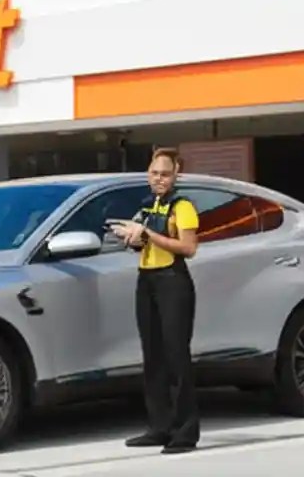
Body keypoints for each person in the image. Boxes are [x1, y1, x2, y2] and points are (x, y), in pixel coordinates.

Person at [107, 147, 201, 454]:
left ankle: (185, 432)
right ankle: (160, 426)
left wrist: (147, 234)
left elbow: (188, 248)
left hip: (172, 281)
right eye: (154, 173)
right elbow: (146, 242)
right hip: (146, 279)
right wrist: (131, 237)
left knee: (176, 356)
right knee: (153, 356)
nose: (159, 179)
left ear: (176, 175)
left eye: (165, 174)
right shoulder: (149, 205)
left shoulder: (182, 206)